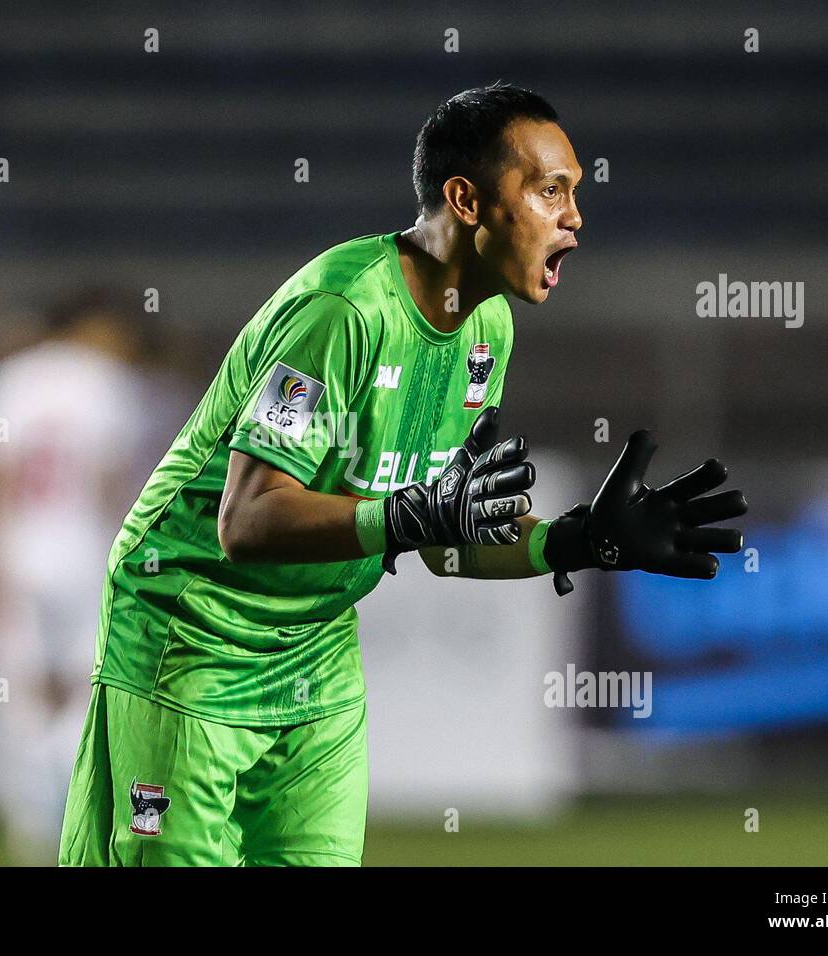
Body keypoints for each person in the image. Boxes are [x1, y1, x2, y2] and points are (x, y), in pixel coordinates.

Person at [59, 83, 748, 867]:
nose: (575, 218)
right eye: (550, 189)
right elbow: (246, 522)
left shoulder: (487, 328)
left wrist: (574, 541)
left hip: (315, 652)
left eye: (575, 193)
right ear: (467, 198)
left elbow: (441, 534)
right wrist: (408, 517)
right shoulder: (343, 311)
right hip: (192, 635)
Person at [0, 288, 147, 863]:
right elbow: (117, 486)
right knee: (86, 689)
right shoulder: (108, 382)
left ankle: (31, 830)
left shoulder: (7, 382)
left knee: (22, 692)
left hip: (20, 551)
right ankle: (80, 819)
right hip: (86, 552)